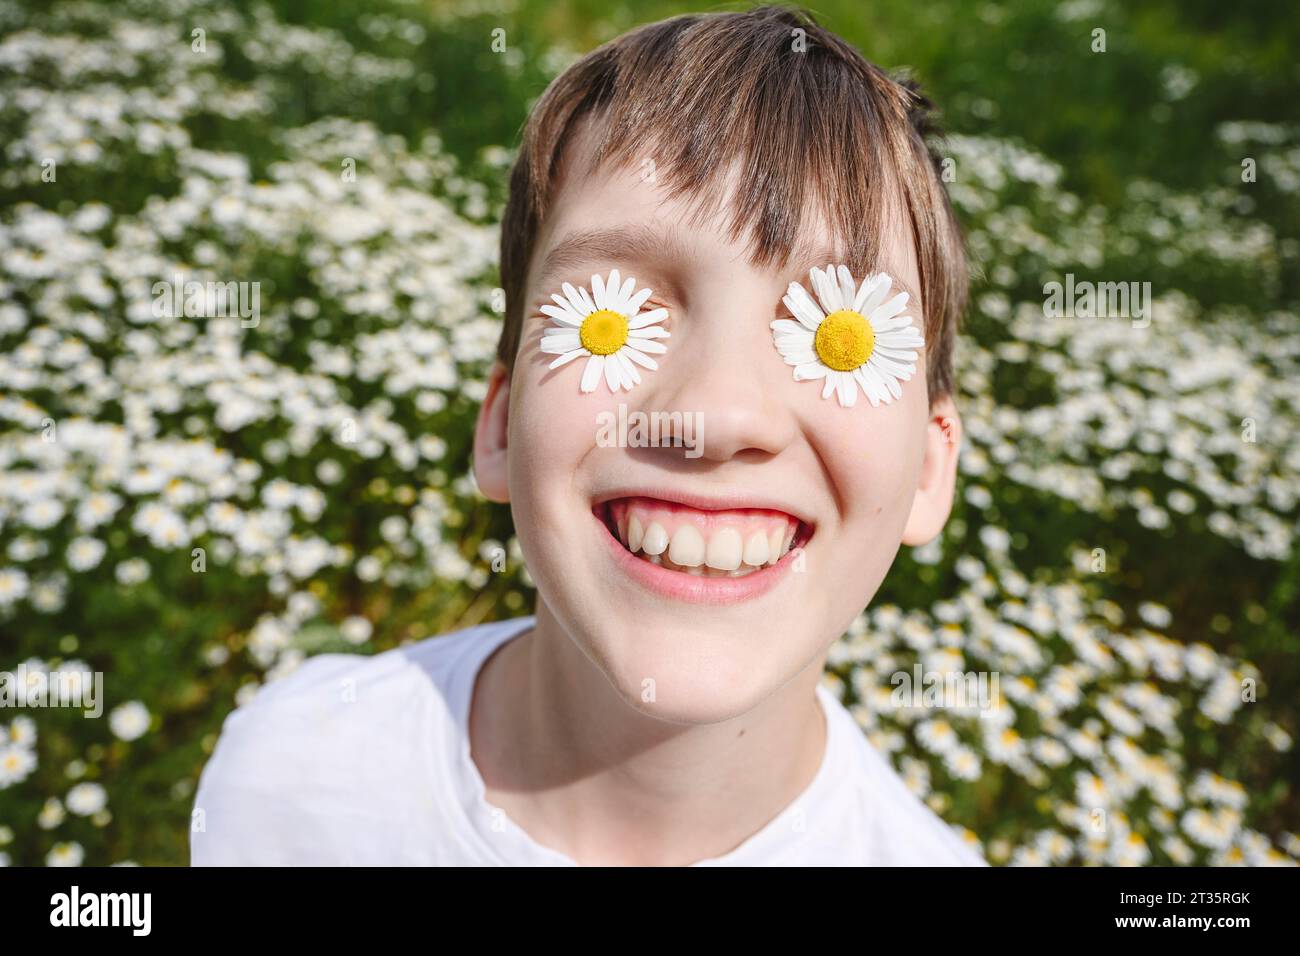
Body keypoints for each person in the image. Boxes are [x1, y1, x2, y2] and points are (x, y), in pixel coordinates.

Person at [192, 5, 985, 866]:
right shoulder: (284, 775)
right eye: (612, 315)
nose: (714, 419)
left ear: (928, 469)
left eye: (841, 333)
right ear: (498, 422)